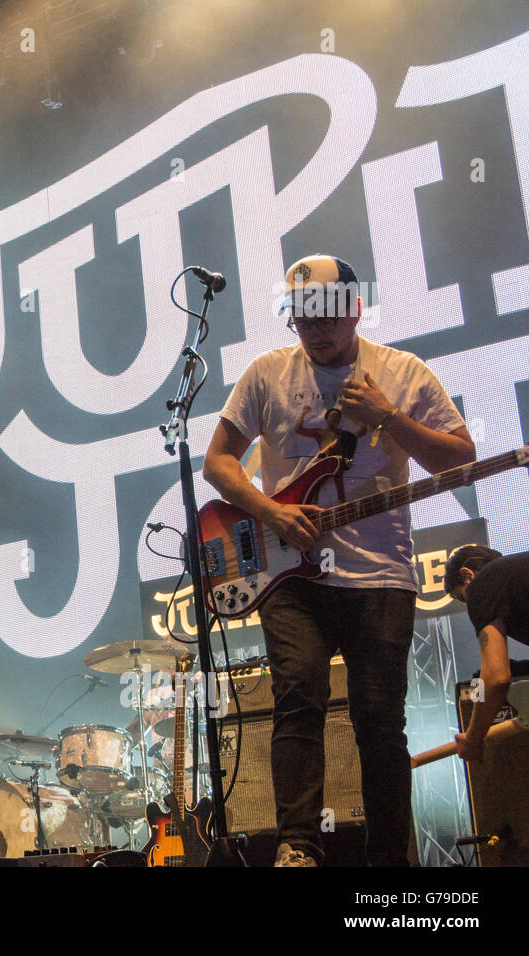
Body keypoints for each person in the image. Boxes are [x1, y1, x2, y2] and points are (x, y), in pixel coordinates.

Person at [202, 254, 476, 866]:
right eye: (302, 318)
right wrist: (268, 512)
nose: (316, 330)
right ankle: (298, 846)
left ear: (355, 308)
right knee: (296, 697)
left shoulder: (401, 372)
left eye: (327, 315)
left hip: (380, 573)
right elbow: (218, 462)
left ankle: (388, 863)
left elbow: (459, 462)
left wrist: (387, 418)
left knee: (379, 720)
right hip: (288, 572)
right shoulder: (267, 374)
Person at [444, 546, 529, 762]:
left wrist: (472, 738)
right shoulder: (516, 578)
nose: (469, 606)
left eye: (462, 598)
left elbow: (496, 678)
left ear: (467, 575)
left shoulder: (482, 585)